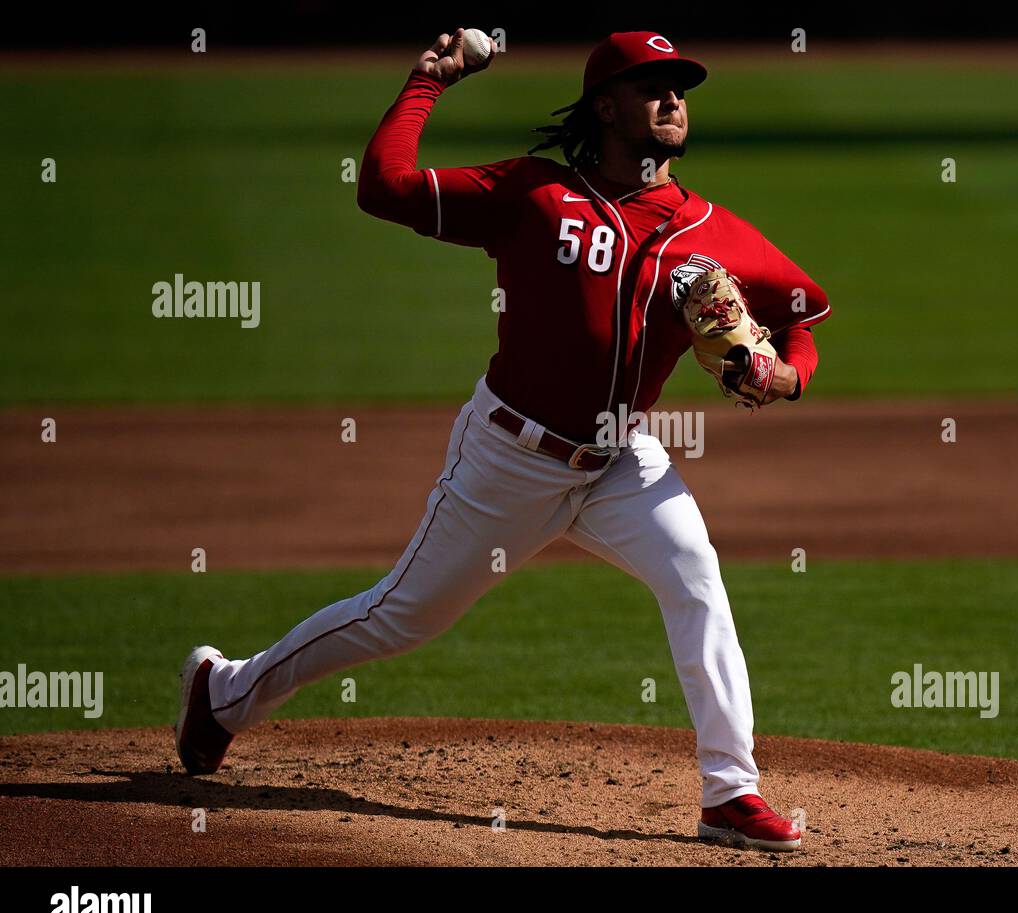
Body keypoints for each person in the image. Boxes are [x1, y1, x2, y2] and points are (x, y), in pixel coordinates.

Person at [176, 29, 832, 852]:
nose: (672, 100)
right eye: (651, 85)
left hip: (622, 459)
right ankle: (223, 692)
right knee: (398, 617)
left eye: (679, 87)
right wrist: (428, 81)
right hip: (509, 459)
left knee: (697, 580)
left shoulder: (713, 230)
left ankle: (729, 793)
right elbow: (384, 188)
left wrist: (785, 377)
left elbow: (805, 313)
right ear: (605, 105)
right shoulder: (532, 197)